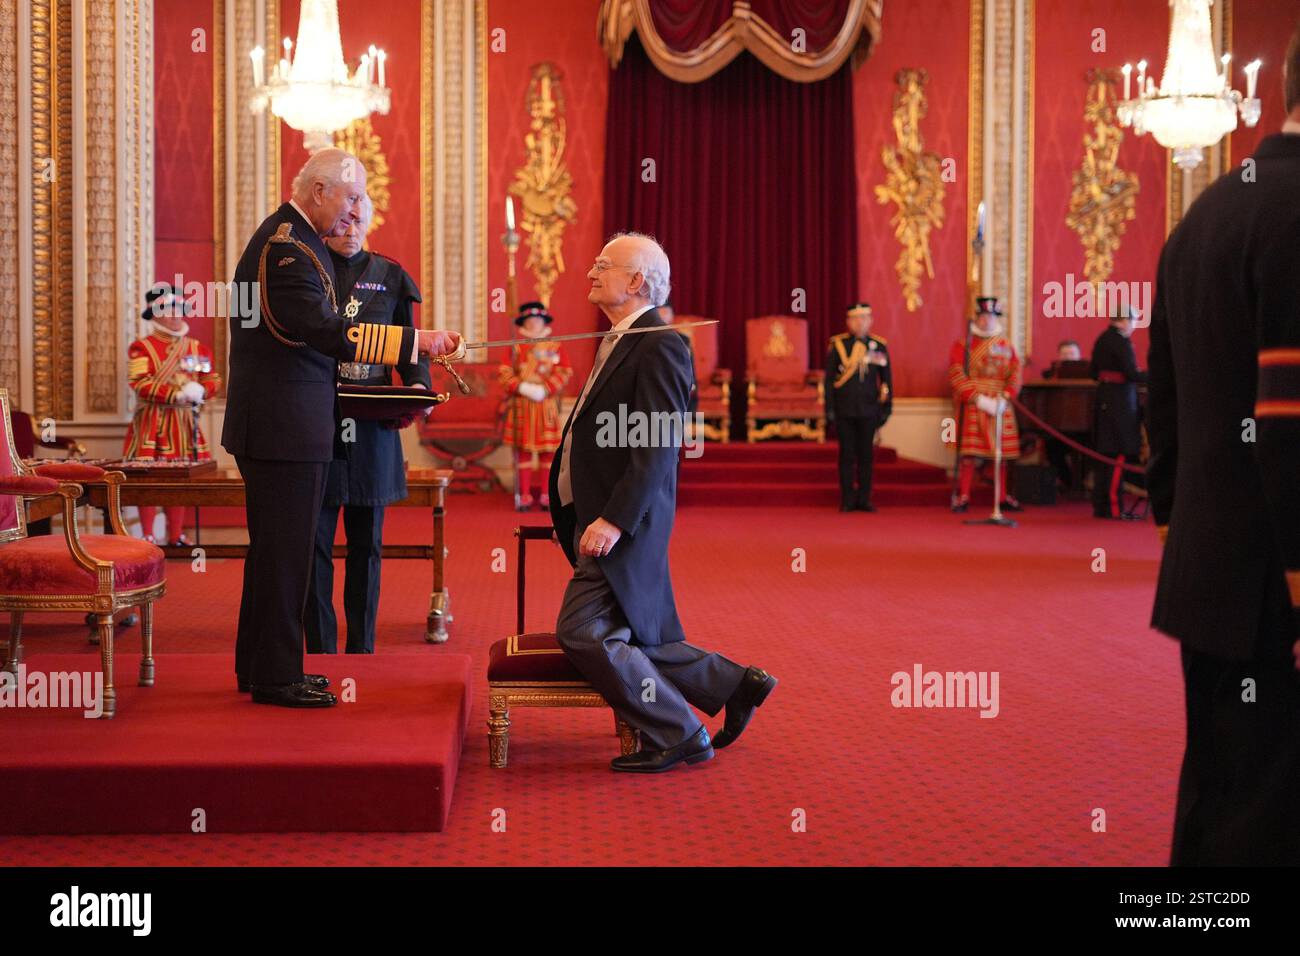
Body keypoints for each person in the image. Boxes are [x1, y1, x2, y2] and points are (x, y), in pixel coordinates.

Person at [222, 148, 461, 707]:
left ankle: (258, 668)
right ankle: (278, 679)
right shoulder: (287, 248)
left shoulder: (299, 240)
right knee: (287, 555)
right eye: (351, 198)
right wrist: (416, 342)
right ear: (320, 192)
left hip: (285, 424)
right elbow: (325, 331)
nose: (356, 211)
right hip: (284, 428)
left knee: (273, 554)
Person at [1146, 26, 1300, 866]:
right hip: (1281, 584)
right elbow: (1289, 425)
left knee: (1214, 796)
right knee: (1269, 821)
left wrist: (1180, 532)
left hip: (1208, 573)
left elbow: (1160, 407)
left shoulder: (1204, 214)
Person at [549, 232, 776, 772]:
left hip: (624, 520)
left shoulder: (660, 342)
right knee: (637, 633)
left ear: (635, 281)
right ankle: (734, 683)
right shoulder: (622, 337)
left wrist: (613, 519)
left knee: (581, 633)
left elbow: (657, 446)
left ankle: (680, 732)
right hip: (604, 516)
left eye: (604, 265)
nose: (590, 272)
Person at [303, 195, 431, 655]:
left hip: (373, 427)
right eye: (343, 219)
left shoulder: (391, 276)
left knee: (367, 547)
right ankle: (318, 650)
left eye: (360, 219)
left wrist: (418, 387)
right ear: (326, 222)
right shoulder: (306, 270)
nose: (351, 227)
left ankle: (362, 649)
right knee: (313, 546)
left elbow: (411, 344)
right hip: (317, 422)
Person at [124, 283, 221, 545]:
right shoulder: (141, 347)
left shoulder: (197, 347)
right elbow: (140, 382)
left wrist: (202, 389)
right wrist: (175, 394)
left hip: (184, 422)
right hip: (152, 422)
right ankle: (147, 535)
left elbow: (213, 378)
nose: (174, 314)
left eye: (178, 307)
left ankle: (176, 534)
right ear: (153, 313)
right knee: (148, 478)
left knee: (181, 478)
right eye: (167, 308)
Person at [947, 296, 1022, 513]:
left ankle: (1001, 496)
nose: (985, 320)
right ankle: (963, 495)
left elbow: (1016, 374)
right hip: (974, 402)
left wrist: (1006, 397)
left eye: (990, 315)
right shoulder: (963, 345)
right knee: (968, 454)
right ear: (976, 317)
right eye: (982, 315)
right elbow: (955, 374)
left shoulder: (1006, 346)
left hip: (1000, 403)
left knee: (1002, 455)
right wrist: (977, 398)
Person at [499, 301, 572, 511]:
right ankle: (523, 495)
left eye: (537, 321)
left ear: (543, 323)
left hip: (546, 406)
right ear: (524, 323)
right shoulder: (515, 347)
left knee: (548, 452)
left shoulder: (555, 346)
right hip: (522, 405)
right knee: (522, 452)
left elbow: (564, 372)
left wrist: (546, 388)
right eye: (530, 321)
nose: (534, 325)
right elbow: (504, 373)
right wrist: (520, 387)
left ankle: (546, 495)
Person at [826, 302, 892, 512]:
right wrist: (829, 410)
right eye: (855, 318)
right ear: (848, 322)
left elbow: (886, 381)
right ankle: (847, 499)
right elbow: (828, 382)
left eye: (864, 317)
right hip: (844, 410)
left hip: (869, 410)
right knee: (846, 455)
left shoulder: (878, 346)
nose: (859, 322)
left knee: (866, 456)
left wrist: (886, 409)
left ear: (870, 321)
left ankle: (864, 498)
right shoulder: (838, 345)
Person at [1089, 306, 1147, 518]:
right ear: (1124, 320)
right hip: (1120, 403)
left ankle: (1101, 504)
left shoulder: (1102, 339)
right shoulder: (1121, 341)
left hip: (1104, 399)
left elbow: (1093, 372)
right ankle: (1113, 507)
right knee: (1117, 455)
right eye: (1133, 321)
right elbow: (1131, 373)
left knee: (1105, 455)